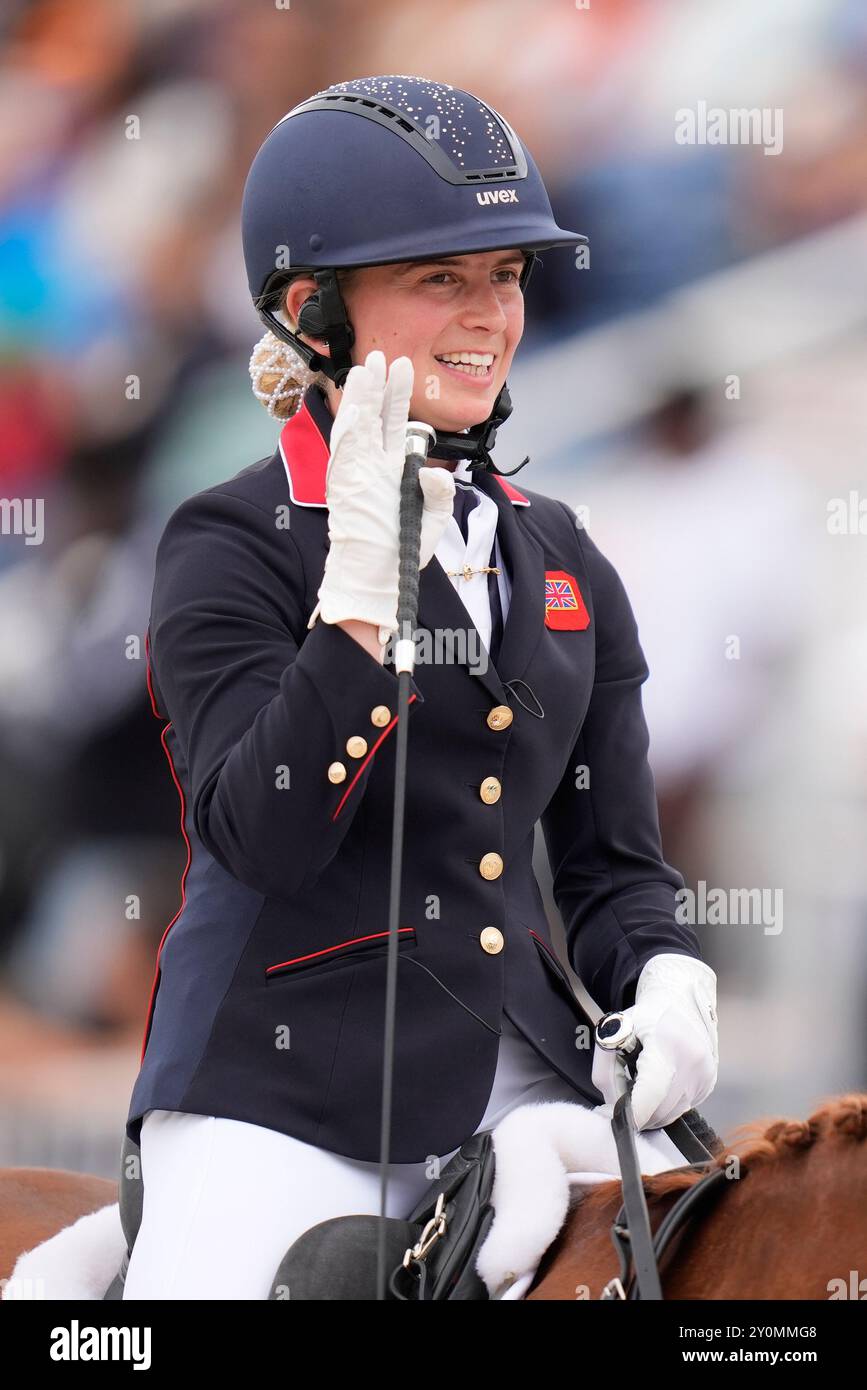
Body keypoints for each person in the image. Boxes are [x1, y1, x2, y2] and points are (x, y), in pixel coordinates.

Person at [121, 76, 718, 1300]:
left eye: (504, 274)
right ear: (312, 309)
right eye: (441, 278)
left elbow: (611, 868)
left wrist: (661, 972)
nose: (491, 315)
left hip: (524, 1083)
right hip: (283, 1100)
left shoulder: (561, 556)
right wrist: (353, 608)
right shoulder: (229, 540)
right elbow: (264, 830)